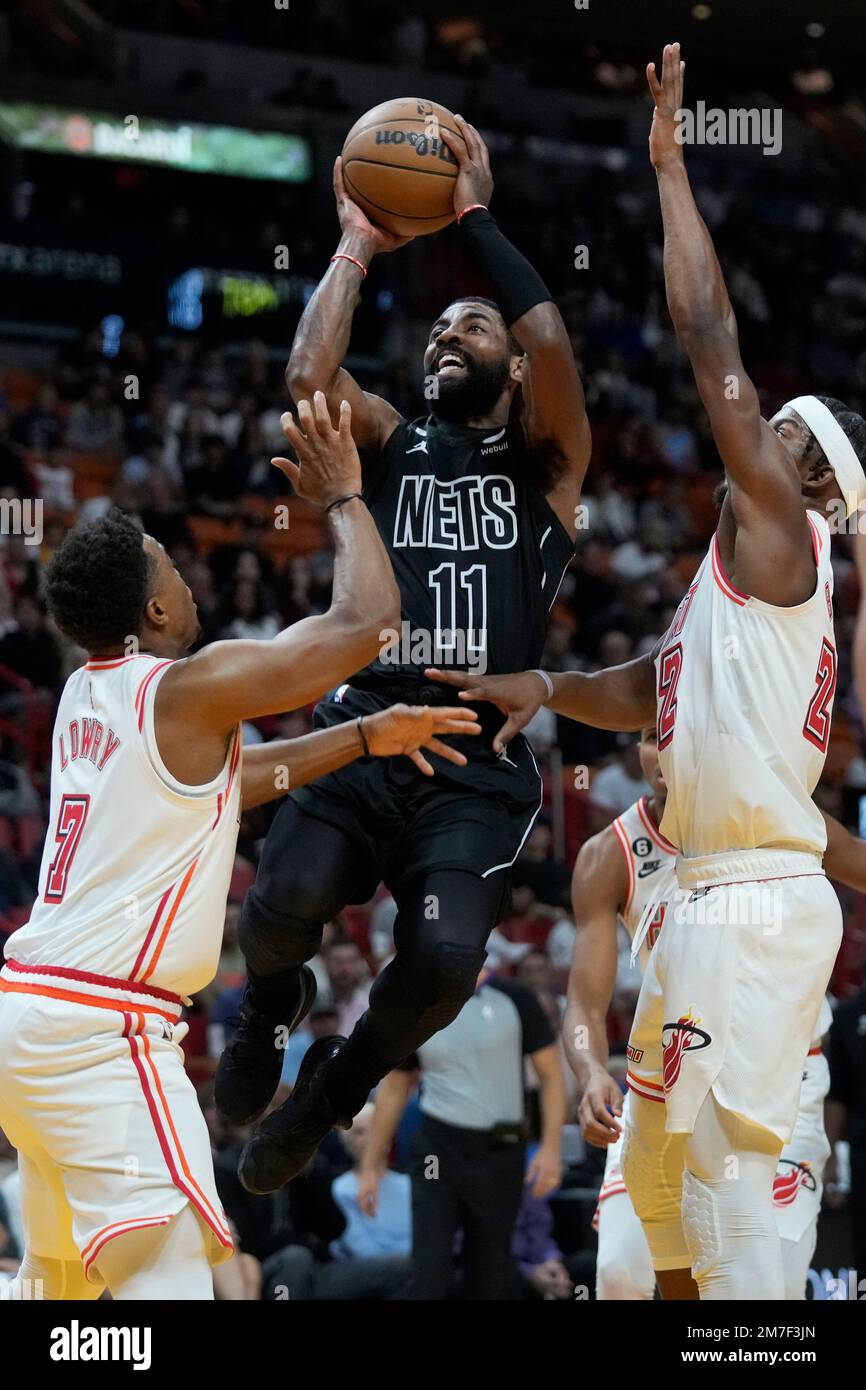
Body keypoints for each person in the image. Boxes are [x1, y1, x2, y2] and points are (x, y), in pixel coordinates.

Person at [430, 43, 866, 1301]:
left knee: (734, 1247)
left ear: (818, 482)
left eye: (780, 435)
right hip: (714, 907)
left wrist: (670, 166)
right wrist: (547, 687)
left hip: (752, 907)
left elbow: (705, 330)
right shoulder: (727, 587)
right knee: (660, 1243)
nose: (754, 437)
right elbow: (645, 690)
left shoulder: (785, 539)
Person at [0, 397, 478, 1301]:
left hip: (29, 1019)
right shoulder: (185, 687)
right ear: (153, 603)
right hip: (102, 1032)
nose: (185, 578)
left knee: (58, 1290)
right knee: (177, 1274)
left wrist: (360, 738)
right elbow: (367, 627)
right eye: (171, 568)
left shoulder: (88, 697)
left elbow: (229, 782)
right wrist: (345, 497)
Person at [217, 115, 592, 1193]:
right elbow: (305, 377)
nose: (447, 335)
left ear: (512, 371)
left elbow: (555, 341)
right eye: (436, 327)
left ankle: (330, 1094)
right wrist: (351, 244)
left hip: (472, 758)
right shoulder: (391, 437)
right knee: (281, 897)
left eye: (471, 326)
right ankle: (274, 1002)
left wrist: (471, 214)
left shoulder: (548, 464)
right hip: (364, 717)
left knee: (437, 962)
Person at [567, 724, 866, 1300]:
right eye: (652, 735)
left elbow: (855, 857)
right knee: (621, 1275)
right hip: (666, 1067)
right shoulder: (611, 853)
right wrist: (588, 1071)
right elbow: (583, 1001)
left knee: (766, 1285)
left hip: (781, 1074)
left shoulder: (775, 813)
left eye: (677, 732)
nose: (664, 749)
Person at [356, 964, 565, 1300]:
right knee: (428, 1273)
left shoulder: (516, 997)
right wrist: (371, 1165)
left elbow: (552, 1076)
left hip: (501, 1151)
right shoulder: (416, 1002)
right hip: (438, 1149)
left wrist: (552, 1148)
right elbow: (396, 1085)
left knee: (492, 1277)